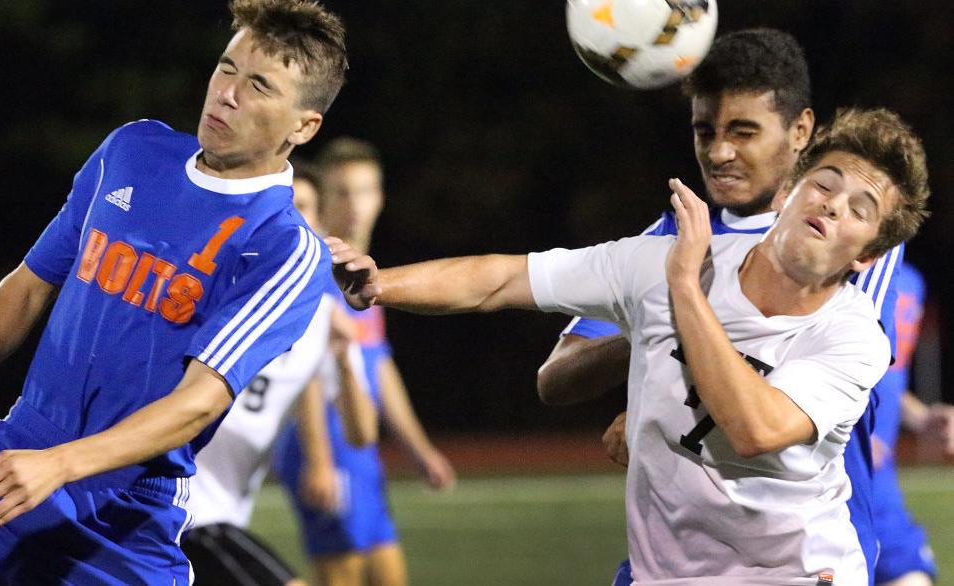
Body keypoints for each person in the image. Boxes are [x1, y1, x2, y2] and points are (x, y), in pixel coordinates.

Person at [0, 1, 347, 583]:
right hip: (11, 454)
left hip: (118, 516)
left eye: (259, 85)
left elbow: (198, 403)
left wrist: (62, 466)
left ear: (303, 125)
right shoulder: (132, 151)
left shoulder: (284, 248)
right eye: (226, 68)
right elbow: (32, 280)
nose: (228, 93)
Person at [329, 107, 930, 584]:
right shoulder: (669, 262)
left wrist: (683, 291)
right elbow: (503, 279)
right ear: (791, 190)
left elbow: (756, 428)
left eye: (860, 208)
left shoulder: (853, 336)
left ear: (867, 255)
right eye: (825, 183)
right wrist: (380, 283)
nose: (832, 204)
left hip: (793, 574)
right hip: (664, 572)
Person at [534, 29, 900, 585]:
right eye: (706, 131)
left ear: (801, 130)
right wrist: (656, 332)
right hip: (674, 558)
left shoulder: (844, 243)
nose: (719, 151)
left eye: (743, 132)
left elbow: (821, 378)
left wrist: (684, 383)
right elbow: (556, 379)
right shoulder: (671, 237)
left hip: (801, 559)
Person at [182, 165, 378, 586]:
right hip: (178, 509)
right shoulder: (213, 292)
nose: (292, 219)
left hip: (223, 511)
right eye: (282, 207)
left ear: (320, 224)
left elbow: (362, 433)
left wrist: (345, 358)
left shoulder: (325, 319)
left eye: (303, 207)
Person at [276, 138, 456, 586]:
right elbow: (305, 377)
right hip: (327, 446)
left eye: (366, 190)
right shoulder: (314, 273)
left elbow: (377, 366)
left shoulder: (360, 275)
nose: (355, 204)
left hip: (361, 448)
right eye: (341, 192)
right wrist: (318, 459)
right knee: (344, 575)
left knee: (386, 573)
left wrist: (418, 447)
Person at [870, 261, 954, 586]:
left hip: (881, 489)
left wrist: (922, 418)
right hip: (828, 487)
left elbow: (888, 376)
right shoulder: (831, 270)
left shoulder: (910, 281)